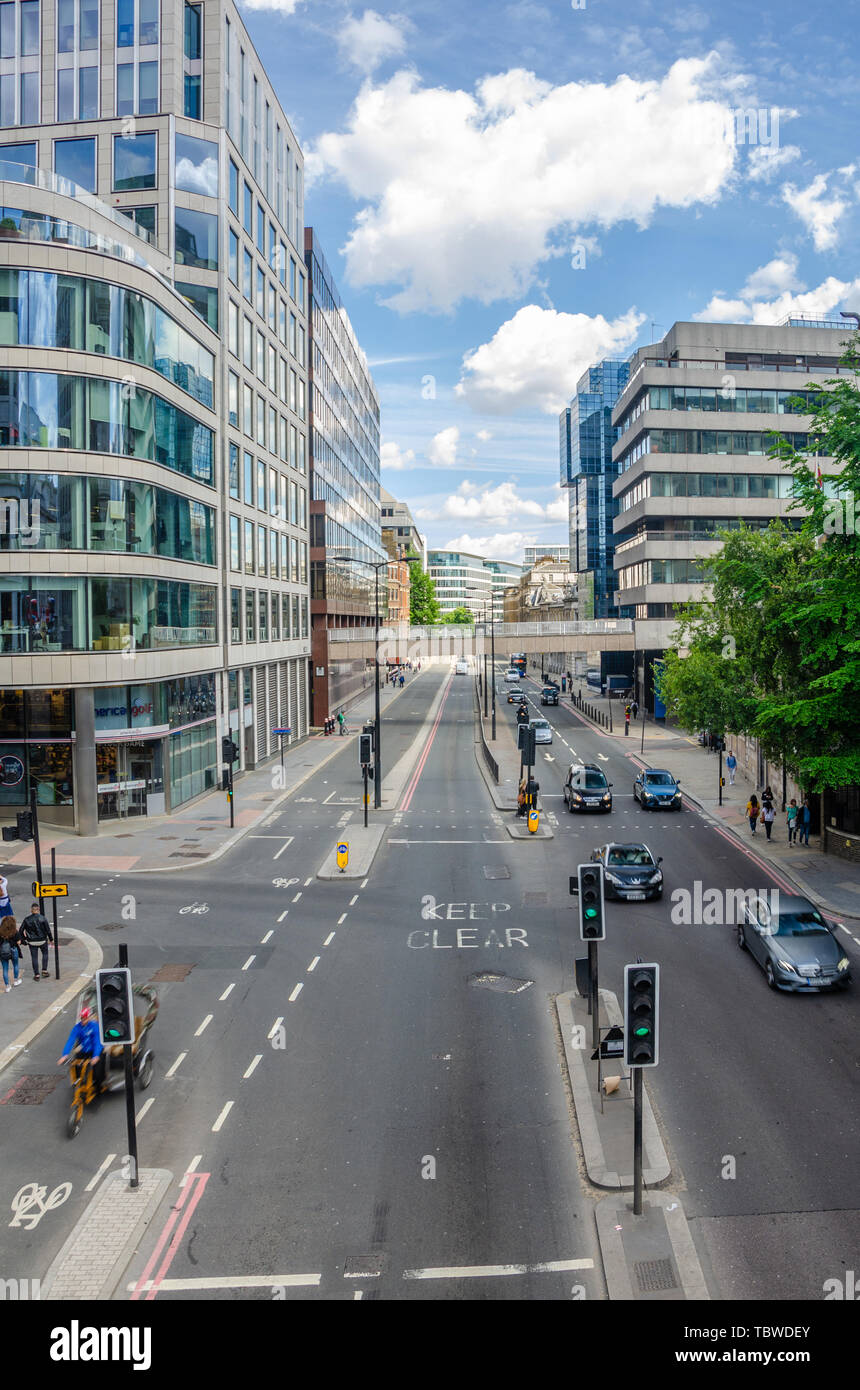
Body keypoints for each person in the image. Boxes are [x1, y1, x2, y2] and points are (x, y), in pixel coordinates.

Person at [58, 1004, 105, 1090]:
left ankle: (98, 1086)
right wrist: (65, 1054)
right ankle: (79, 1080)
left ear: (89, 1017)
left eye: (85, 1018)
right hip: (84, 1049)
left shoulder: (95, 1026)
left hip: (94, 1050)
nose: (83, 1021)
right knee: (76, 1065)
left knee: (97, 1071)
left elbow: (97, 1042)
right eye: (82, 1018)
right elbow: (71, 1040)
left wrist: (96, 1055)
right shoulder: (77, 1028)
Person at [20, 901, 53, 980]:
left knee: (34, 957)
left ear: (31, 910)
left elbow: (20, 931)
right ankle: (44, 970)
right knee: (45, 954)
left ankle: (37, 974)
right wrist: (51, 939)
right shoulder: (43, 918)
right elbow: (48, 930)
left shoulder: (27, 919)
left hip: (32, 941)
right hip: (42, 940)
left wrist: (25, 939)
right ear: (38, 909)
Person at [0, 915, 22, 991]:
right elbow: (19, 942)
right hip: (13, 950)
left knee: (5, 969)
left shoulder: (0, 932)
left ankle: (7, 986)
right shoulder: (15, 932)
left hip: (3, 952)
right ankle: (16, 981)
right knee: (15, 965)